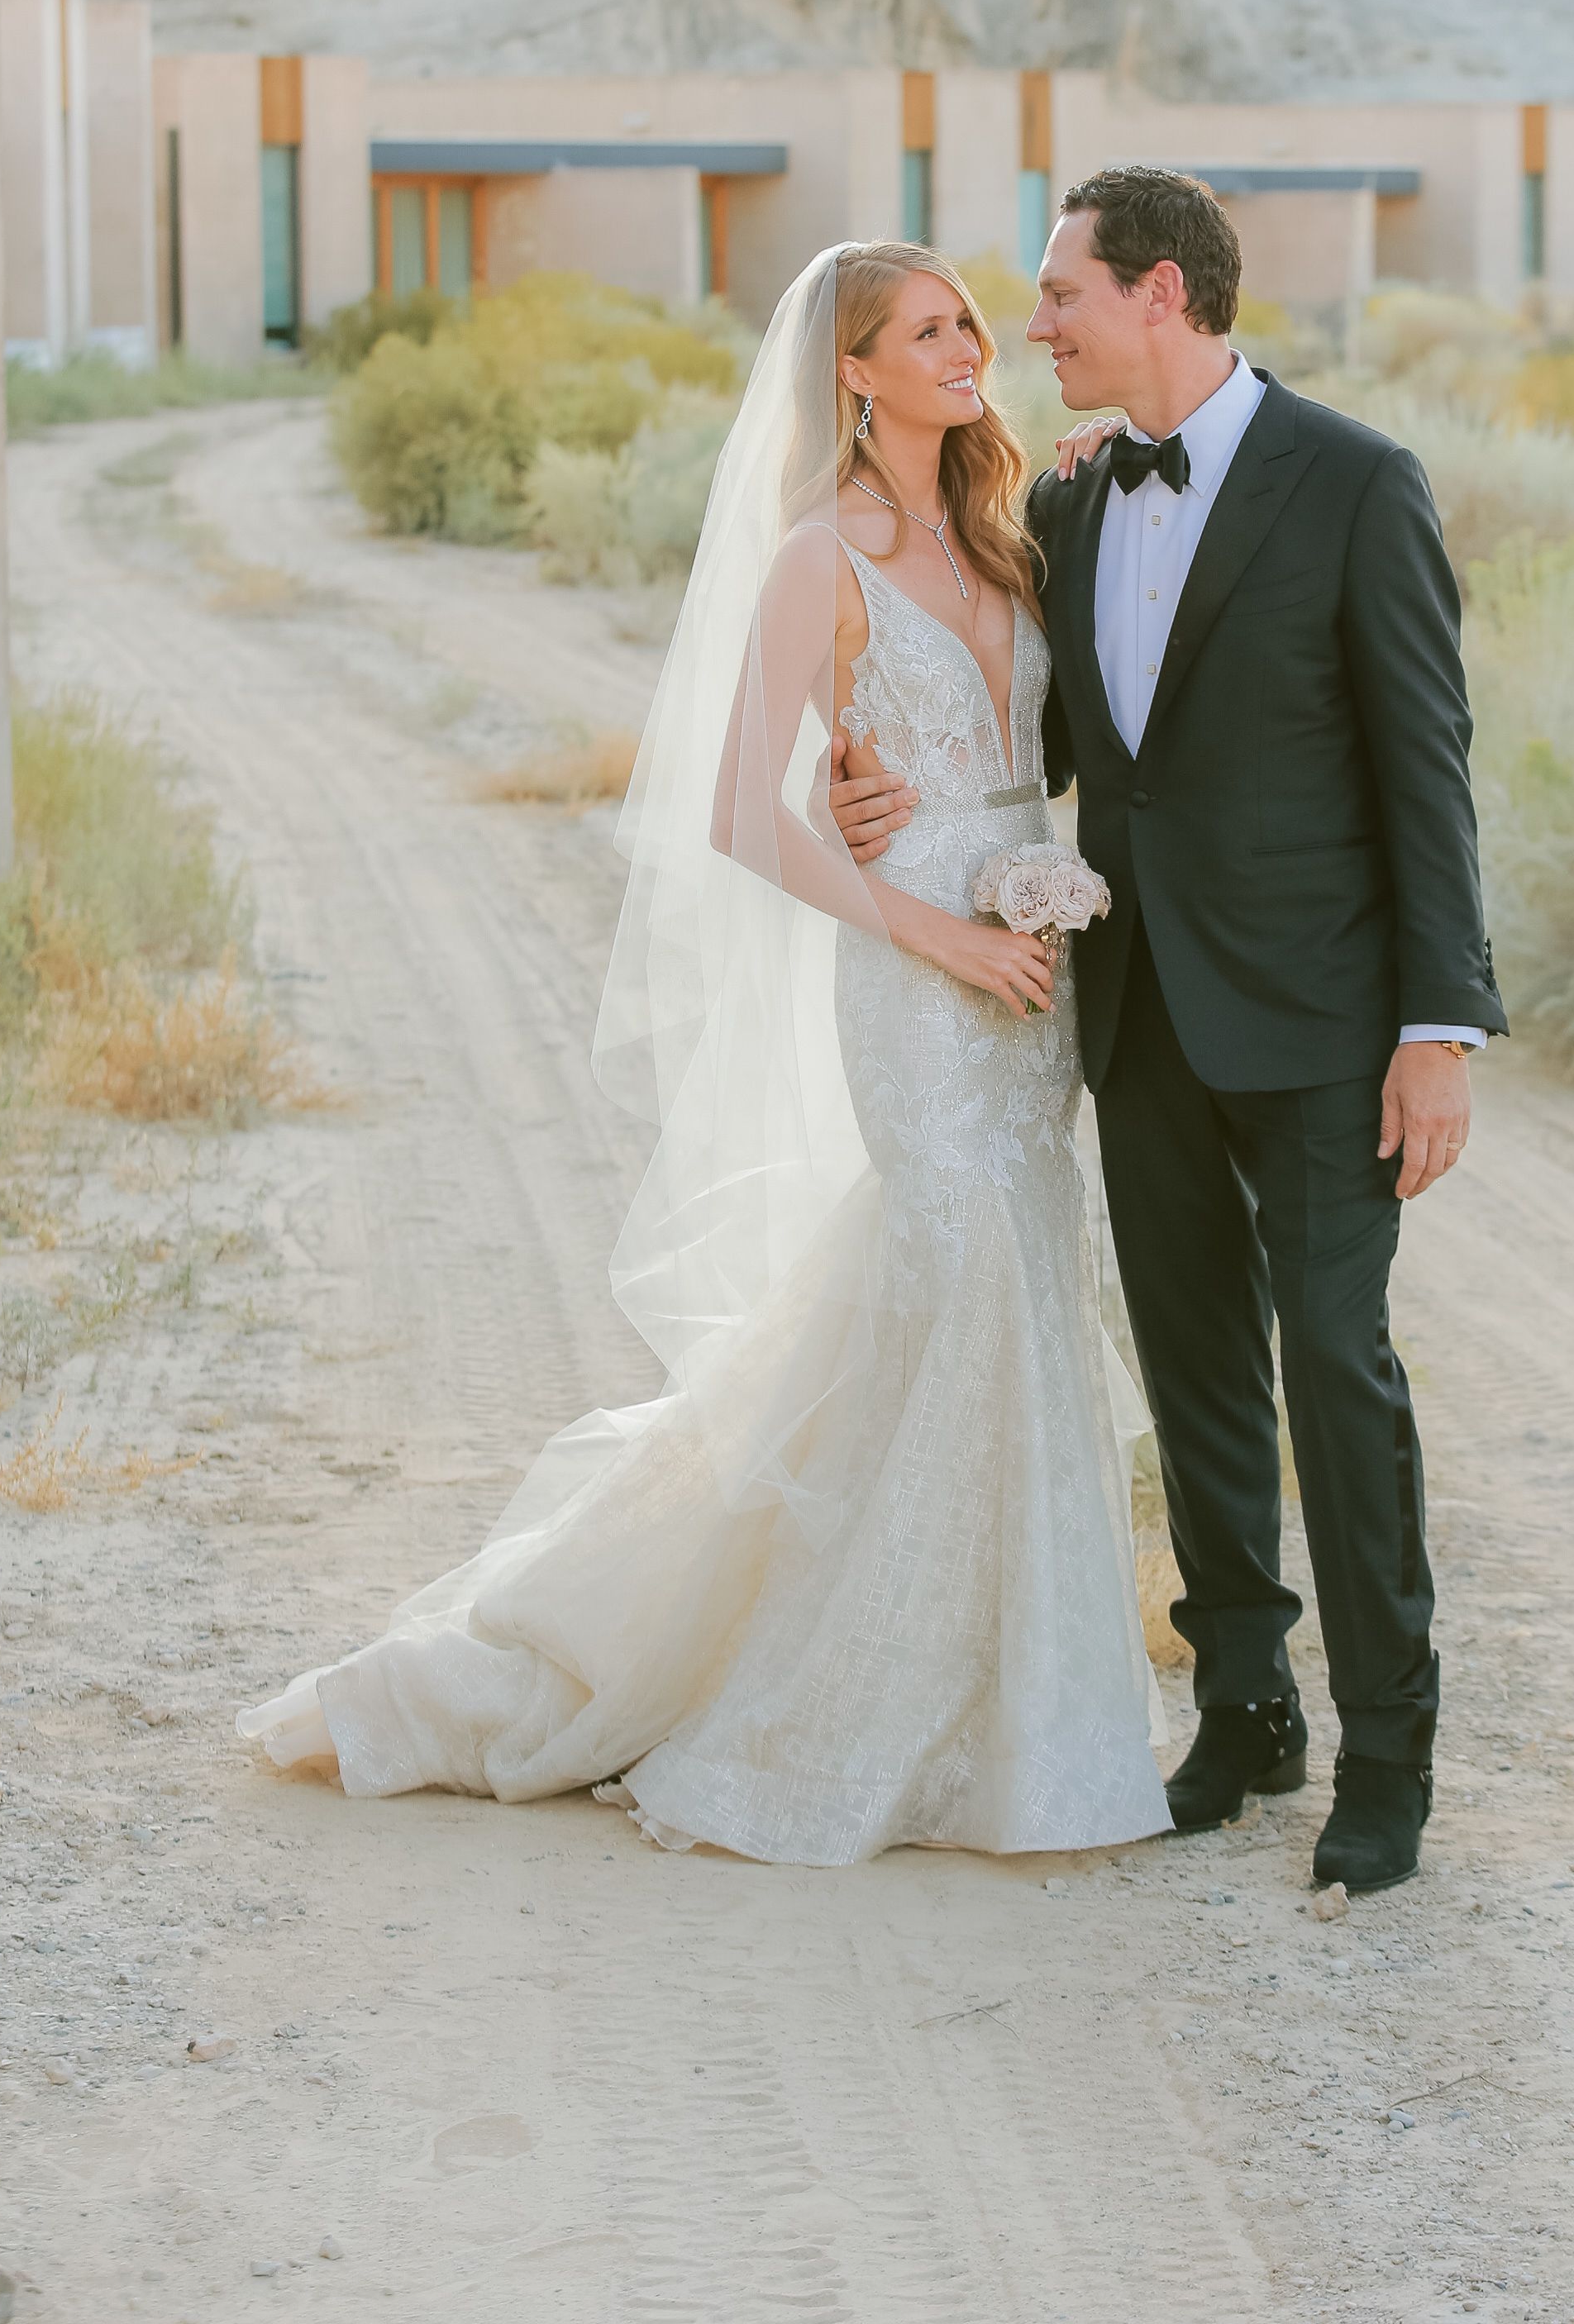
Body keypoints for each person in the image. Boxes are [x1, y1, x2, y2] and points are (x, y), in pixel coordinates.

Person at [239, 244, 1171, 1864]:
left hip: (1034, 973)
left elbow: (1047, 739)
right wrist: (924, 920)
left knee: (1008, 1296)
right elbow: (742, 810)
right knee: (962, 1286)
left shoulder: (1011, 523)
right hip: (917, 982)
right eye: (929, 330)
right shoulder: (821, 558)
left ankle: (1022, 1704)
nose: (970, 348)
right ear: (852, 376)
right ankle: (850, 1708)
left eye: (970, 322)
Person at [834, 169, 1505, 1893]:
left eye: (1056, 294)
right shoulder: (1060, 505)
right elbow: (1027, 743)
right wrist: (872, 787)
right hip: (1131, 1022)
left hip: (1325, 1023)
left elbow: (1423, 774)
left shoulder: (1354, 485)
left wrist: (1436, 1027)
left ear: (1157, 296)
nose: (1029, 325)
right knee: (1197, 1376)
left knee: (1335, 1380)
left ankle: (1389, 1757)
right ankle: (1242, 1711)